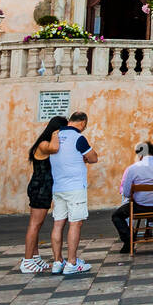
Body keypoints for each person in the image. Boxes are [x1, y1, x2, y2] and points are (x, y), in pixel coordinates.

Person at [49, 111, 97, 275]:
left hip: (58, 187)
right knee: (75, 223)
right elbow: (93, 158)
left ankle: (57, 262)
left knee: (58, 224)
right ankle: (72, 262)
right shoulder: (79, 138)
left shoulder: (56, 136)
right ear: (83, 122)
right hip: (75, 187)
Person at [21, 116, 65, 274]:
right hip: (40, 187)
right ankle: (27, 261)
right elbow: (55, 148)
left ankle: (34, 256)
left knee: (37, 224)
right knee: (34, 224)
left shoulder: (44, 142)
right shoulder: (44, 144)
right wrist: (57, 134)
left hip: (42, 187)